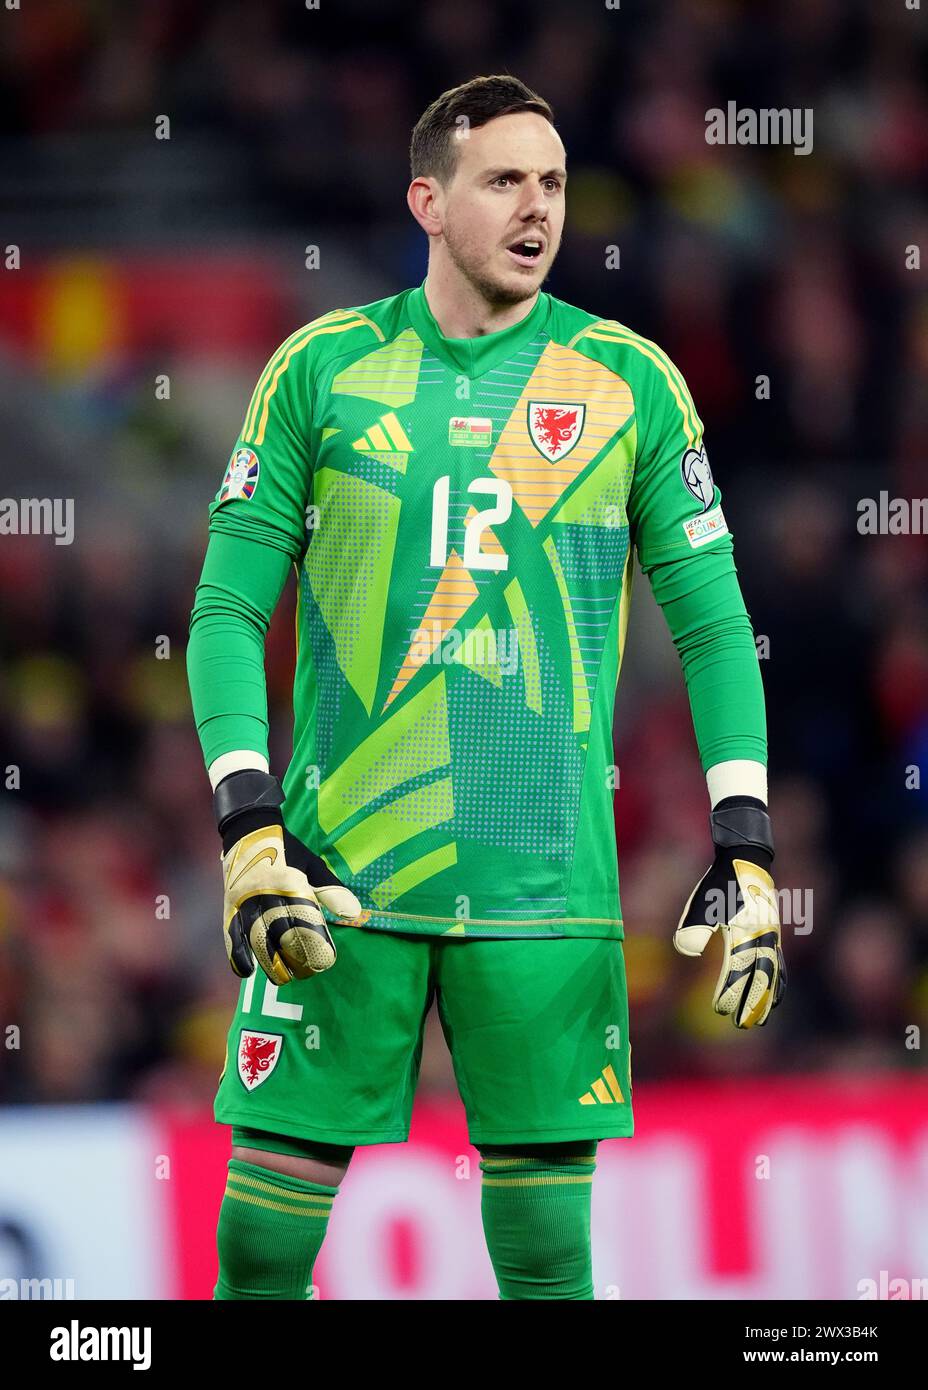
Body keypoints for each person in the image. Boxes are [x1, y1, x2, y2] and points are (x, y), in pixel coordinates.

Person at [186, 73, 785, 1302]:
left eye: (553, 183)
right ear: (428, 199)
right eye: (504, 180)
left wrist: (747, 843)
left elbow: (717, 625)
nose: (537, 207)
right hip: (338, 876)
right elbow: (226, 612)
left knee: (548, 1257)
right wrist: (249, 829)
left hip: (543, 883)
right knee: (257, 1244)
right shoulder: (323, 372)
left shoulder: (629, 383)